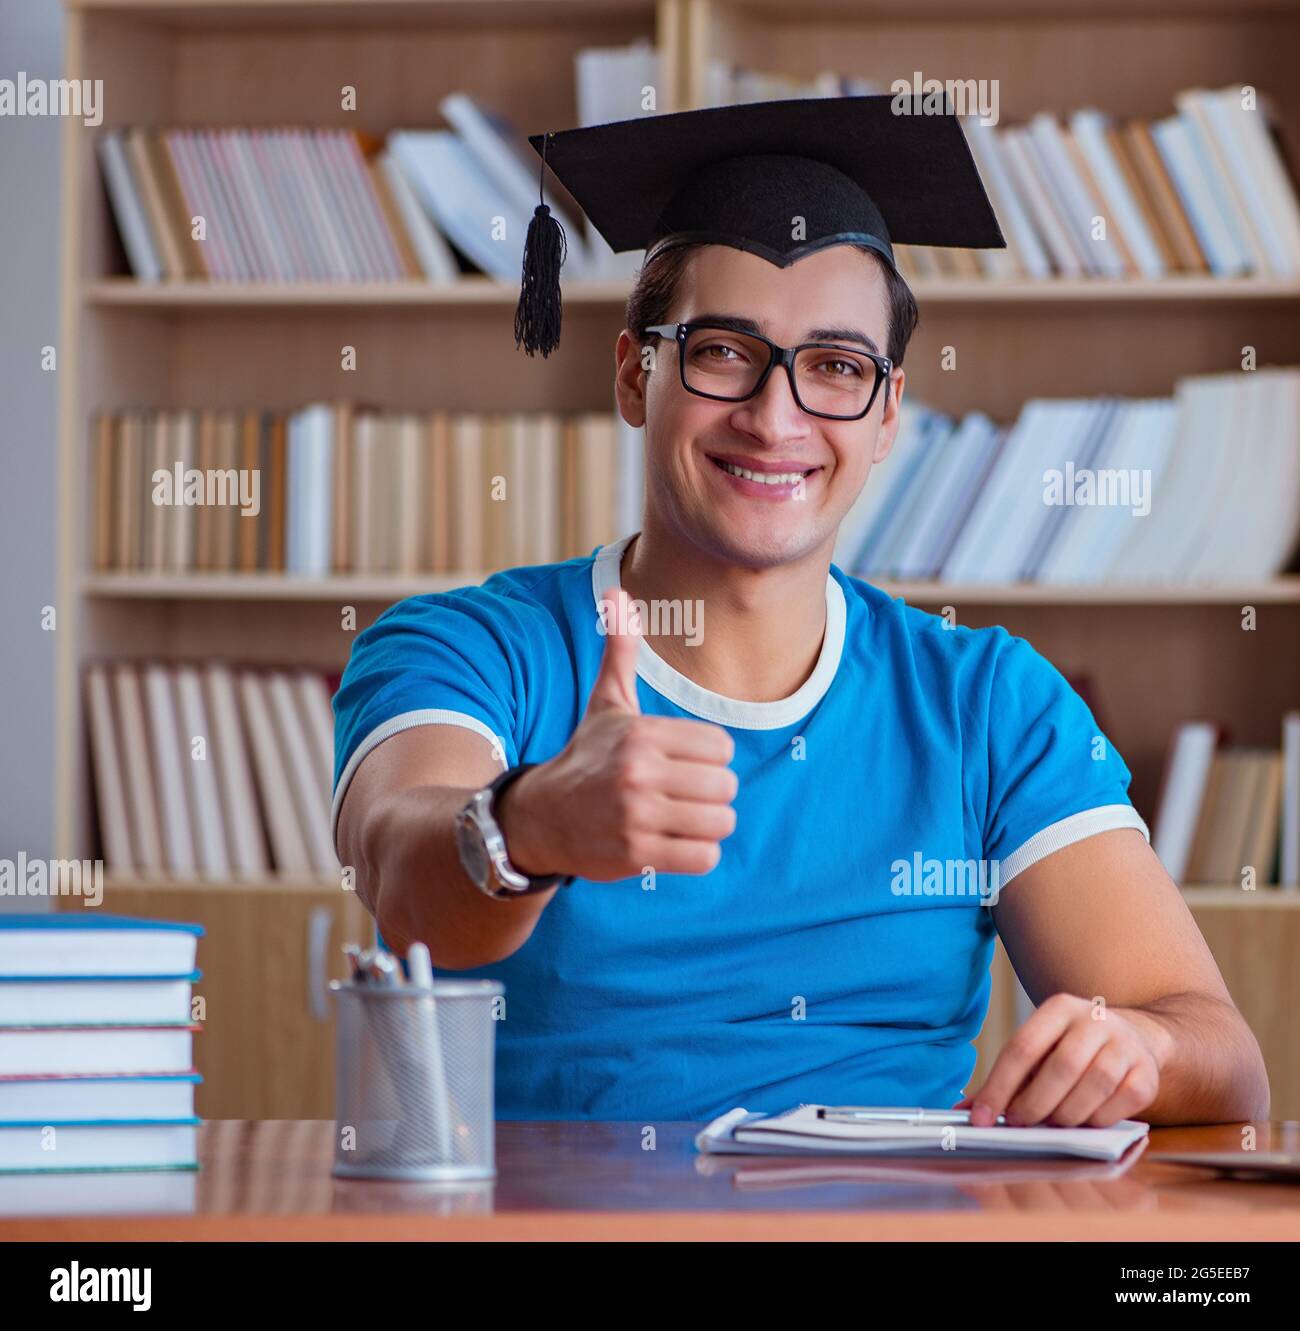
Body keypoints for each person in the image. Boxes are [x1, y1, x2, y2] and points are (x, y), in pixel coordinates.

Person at [333, 96, 1268, 1126]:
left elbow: (1221, 1057)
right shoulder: (471, 651)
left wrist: (1138, 1046)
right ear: (635, 373)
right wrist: (531, 822)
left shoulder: (985, 704)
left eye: (834, 367)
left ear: (886, 415)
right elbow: (400, 870)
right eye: (724, 349)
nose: (775, 418)